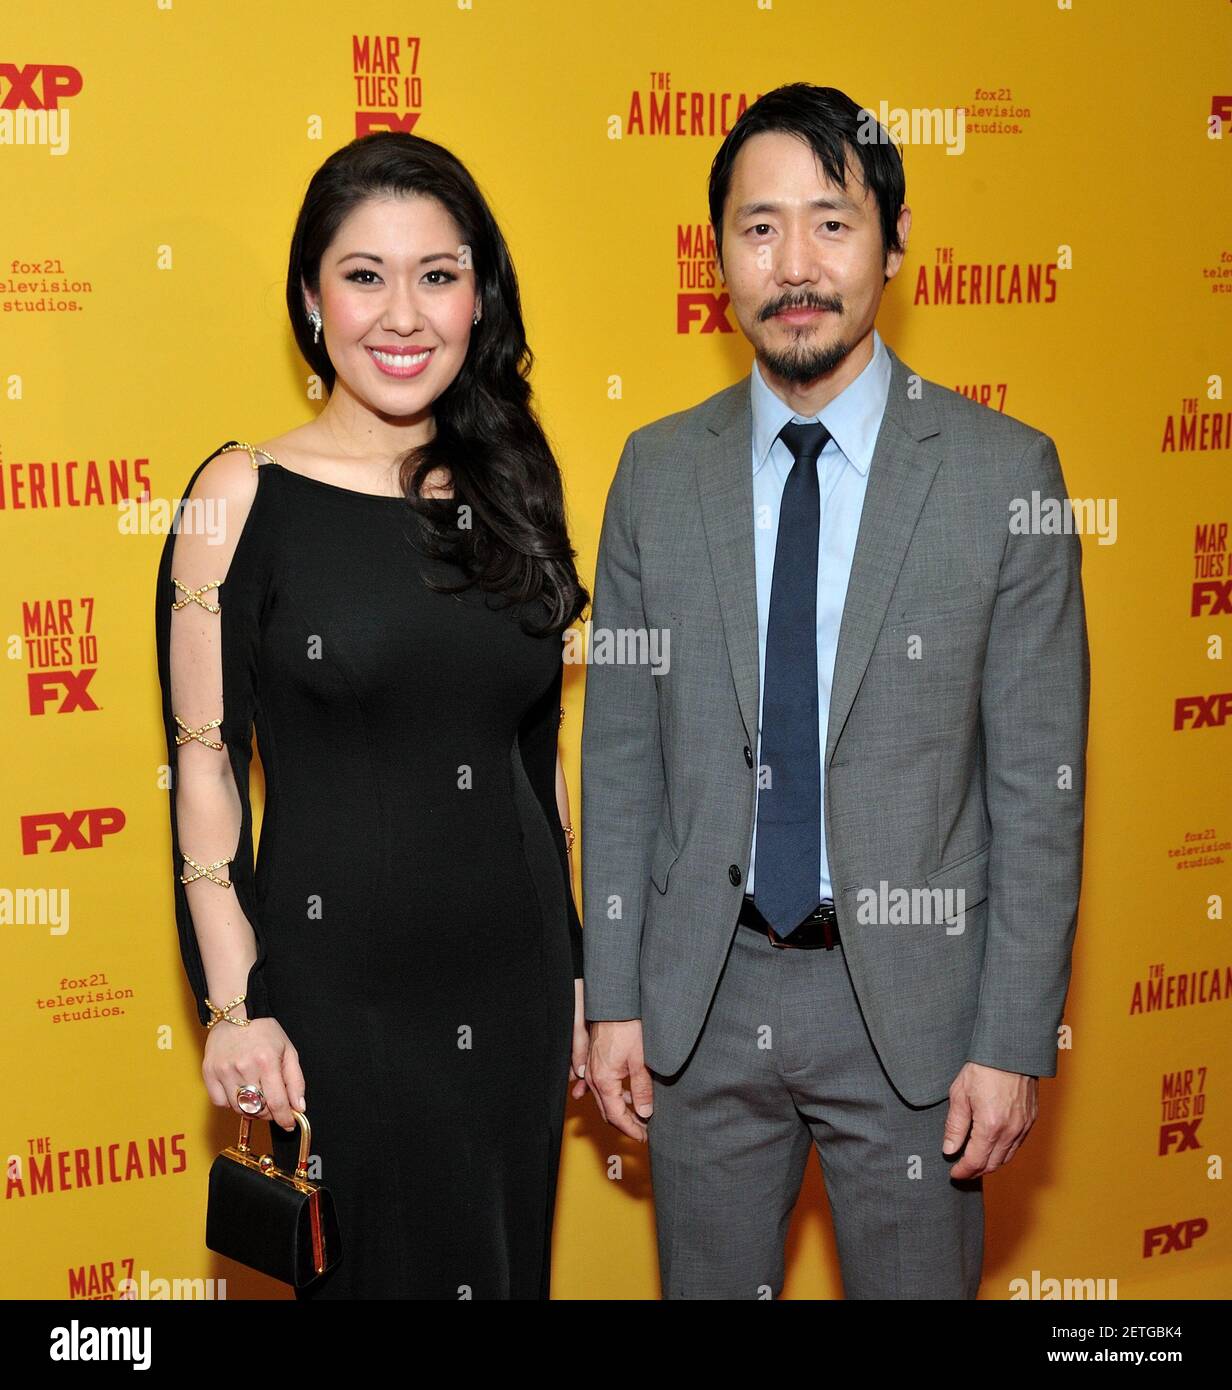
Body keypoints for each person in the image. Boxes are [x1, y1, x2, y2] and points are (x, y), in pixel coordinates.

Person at [580, 83, 1089, 1299]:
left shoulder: (1000, 475)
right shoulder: (654, 472)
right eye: (758, 228)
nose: (793, 264)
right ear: (717, 258)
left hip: (913, 1017)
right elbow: (618, 757)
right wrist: (613, 991)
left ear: (895, 243)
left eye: (831, 221)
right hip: (701, 996)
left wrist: (1011, 1037)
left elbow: (1035, 783)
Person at [154, 131, 589, 1299]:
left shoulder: (512, 482)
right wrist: (235, 1005)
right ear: (309, 298)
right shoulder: (238, 496)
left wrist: (584, 972)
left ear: (478, 294)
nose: (403, 315)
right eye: (363, 275)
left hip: (517, 988)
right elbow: (202, 771)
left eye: (437, 275)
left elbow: (534, 759)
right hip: (339, 997)